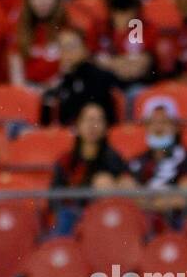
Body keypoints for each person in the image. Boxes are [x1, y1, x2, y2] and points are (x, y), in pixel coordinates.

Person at [49, 100, 131, 236]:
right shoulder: (65, 161)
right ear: (78, 126)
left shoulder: (114, 159)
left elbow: (126, 187)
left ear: (105, 128)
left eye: (98, 120)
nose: (93, 126)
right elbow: (54, 197)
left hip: (104, 218)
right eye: (88, 120)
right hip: (72, 216)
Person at [126, 96, 187, 229]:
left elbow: (183, 199)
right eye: (153, 122)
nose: (158, 128)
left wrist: (146, 204)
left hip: (177, 225)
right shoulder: (137, 160)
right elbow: (127, 193)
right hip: (141, 226)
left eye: (164, 122)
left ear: (176, 127)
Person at [40, 25, 120, 127]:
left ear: (85, 48)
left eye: (71, 46)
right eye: (61, 47)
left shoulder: (100, 78)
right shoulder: (61, 82)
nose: (66, 52)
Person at [93, 0, 155, 91]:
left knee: (136, 91)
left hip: (138, 83)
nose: (121, 13)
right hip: (106, 83)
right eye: (117, 7)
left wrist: (111, 63)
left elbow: (141, 65)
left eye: (126, 7)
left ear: (135, 9)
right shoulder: (99, 28)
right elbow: (94, 60)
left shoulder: (144, 28)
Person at [10, 0, 73, 88]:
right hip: (30, 88)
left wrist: (51, 88)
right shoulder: (20, 26)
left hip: (60, 86)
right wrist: (22, 92)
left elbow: (71, 65)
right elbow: (16, 65)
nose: (42, 2)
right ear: (28, 1)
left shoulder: (66, 24)